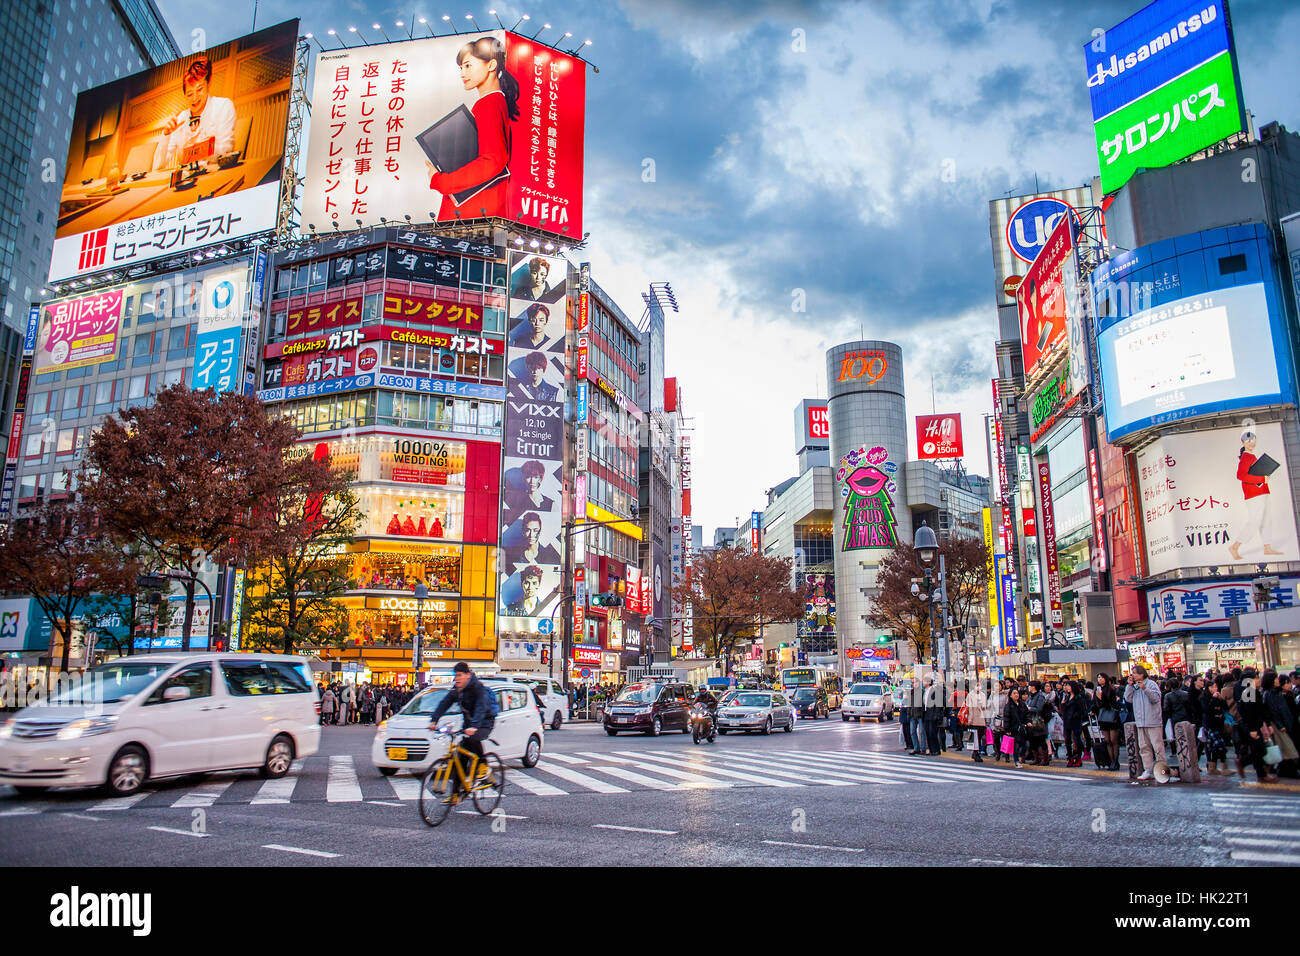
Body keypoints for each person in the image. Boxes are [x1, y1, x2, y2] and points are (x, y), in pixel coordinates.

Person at [425, 36, 519, 221]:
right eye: (461, 67)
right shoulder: (496, 102)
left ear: (491, 65)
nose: (462, 73)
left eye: (468, 66)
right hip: (484, 209)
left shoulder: (489, 104)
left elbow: (492, 161)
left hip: (473, 211)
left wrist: (441, 180)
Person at [153, 54, 237, 169]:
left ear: (209, 83)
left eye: (200, 89)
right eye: (189, 94)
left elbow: (225, 151)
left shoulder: (223, 106)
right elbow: (158, 166)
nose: (194, 98)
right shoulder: (181, 119)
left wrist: (193, 149)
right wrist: (166, 135)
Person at [426, 663, 498, 787]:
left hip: (484, 722)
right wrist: (434, 720)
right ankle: (456, 794)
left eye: (459, 675)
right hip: (469, 725)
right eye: (455, 676)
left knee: (473, 739)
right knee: (460, 758)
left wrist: (474, 726)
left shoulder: (478, 689)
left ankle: (483, 766)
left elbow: (481, 707)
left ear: (468, 675)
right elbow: (444, 704)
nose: (456, 678)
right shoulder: (457, 691)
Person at [1125, 665, 1165, 783]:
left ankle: (1162, 769)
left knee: (1158, 747)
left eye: (1135, 673)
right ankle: (1148, 769)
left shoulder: (1151, 684)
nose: (1133, 675)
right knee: (1144, 747)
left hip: (1153, 721)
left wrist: (1145, 688)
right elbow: (1128, 699)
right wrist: (1130, 686)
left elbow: (1156, 699)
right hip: (1140, 721)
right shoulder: (1135, 687)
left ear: (1142, 674)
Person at [1093, 673, 1122, 771]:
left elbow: (1112, 703)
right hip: (1103, 717)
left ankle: (1115, 761)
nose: (1100, 679)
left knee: (1114, 740)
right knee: (1108, 741)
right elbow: (1097, 704)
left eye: (1101, 677)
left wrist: (1102, 698)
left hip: (1112, 717)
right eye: (1098, 678)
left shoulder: (1111, 689)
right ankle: (1111, 761)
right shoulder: (1097, 690)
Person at [1200, 678, 1230, 774]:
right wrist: (1213, 698)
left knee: (1215, 747)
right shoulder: (1204, 698)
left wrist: (1221, 699)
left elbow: (1226, 708)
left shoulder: (1218, 698)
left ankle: (1213, 768)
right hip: (1210, 725)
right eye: (1212, 687)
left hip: (1219, 724)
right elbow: (1207, 710)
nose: (1215, 689)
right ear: (1208, 688)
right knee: (1220, 746)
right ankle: (1223, 768)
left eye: (1216, 687)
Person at [1059, 680, 1087, 767]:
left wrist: (1075, 716)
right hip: (1067, 721)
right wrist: (1062, 704)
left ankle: (1078, 758)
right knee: (1067, 740)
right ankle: (1070, 758)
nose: (1066, 687)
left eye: (1068, 686)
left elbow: (1082, 710)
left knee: (1077, 740)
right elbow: (1063, 711)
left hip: (1075, 722)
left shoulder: (1078, 698)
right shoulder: (1067, 697)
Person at [1003, 686, 1028, 768]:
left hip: (1022, 727)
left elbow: (1027, 715)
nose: (1016, 695)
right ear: (1010, 695)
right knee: (1016, 745)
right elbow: (1006, 718)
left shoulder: (1022, 704)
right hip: (1013, 728)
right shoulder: (1008, 706)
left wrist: (1028, 722)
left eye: (1017, 693)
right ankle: (1016, 760)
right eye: (1014, 693)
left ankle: (1021, 757)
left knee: (1025, 744)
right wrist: (1007, 729)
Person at [966, 682, 989, 762]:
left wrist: (986, 720)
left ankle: (975, 752)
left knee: (980, 735)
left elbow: (985, 708)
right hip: (974, 719)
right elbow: (970, 708)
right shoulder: (970, 695)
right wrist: (969, 720)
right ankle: (976, 753)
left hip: (981, 718)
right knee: (975, 737)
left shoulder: (983, 695)